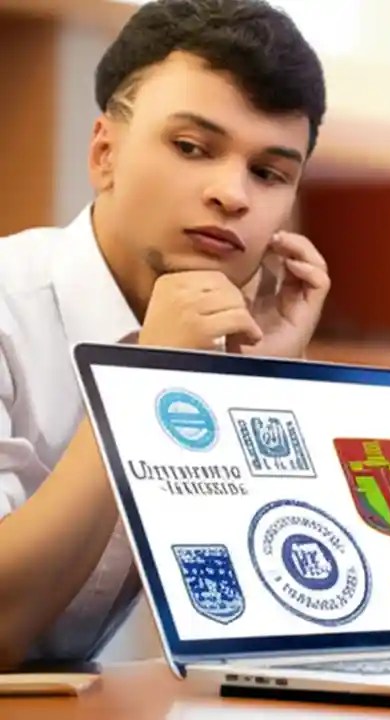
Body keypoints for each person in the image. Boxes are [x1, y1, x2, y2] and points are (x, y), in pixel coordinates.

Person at [0, 0, 328, 668]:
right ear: (105, 153)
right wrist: (141, 387)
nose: (232, 194)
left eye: (268, 173)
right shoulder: (10, 303)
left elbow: (267, 628)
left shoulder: (210, 339)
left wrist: (261, 389)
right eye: (191, 148)